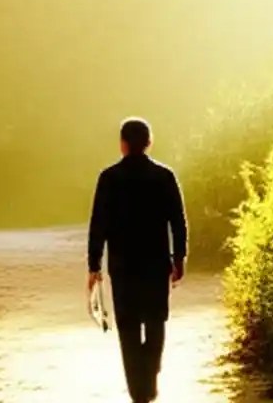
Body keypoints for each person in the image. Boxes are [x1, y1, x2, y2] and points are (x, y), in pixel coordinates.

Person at [87, 117, 188, 403]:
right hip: (156, 265)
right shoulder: (164, 176)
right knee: (156, 323)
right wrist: (178, 257)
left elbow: (99, 225)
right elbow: (178, 222)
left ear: (122, 144)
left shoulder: (109, 178)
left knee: (128, 329)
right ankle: (150, 375)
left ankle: (138, 393)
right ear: (149, 142)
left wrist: (94, 265)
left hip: (123, 268)